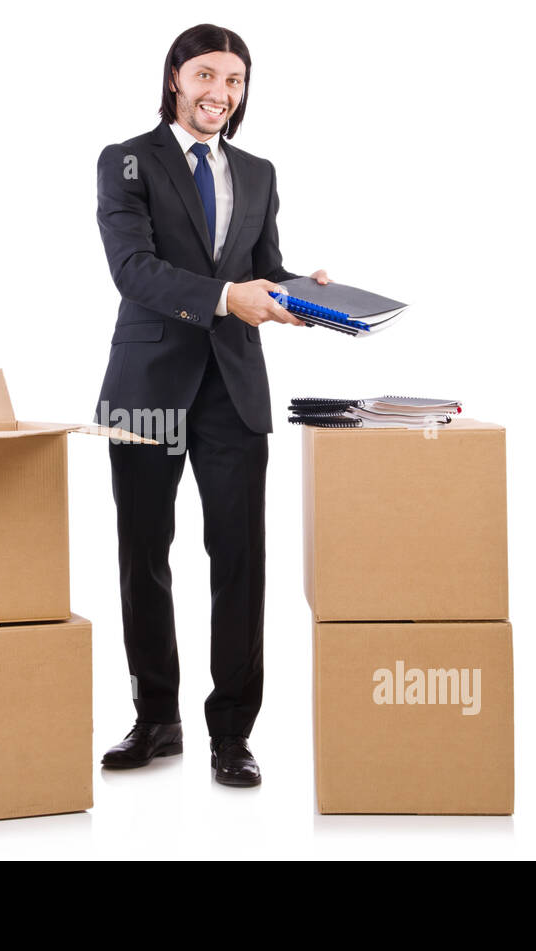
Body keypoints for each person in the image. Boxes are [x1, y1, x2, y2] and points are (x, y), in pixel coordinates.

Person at [93, 23, 329, 786]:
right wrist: (231, 296)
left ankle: (233, 732)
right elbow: (134, 270)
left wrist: (304, 296)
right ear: (174, 79)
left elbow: (264, 271)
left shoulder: (257, 172)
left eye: (234, 80)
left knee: (239, 561)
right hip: (146, 389)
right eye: (204, 75)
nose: (219, 93)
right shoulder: (127, 161)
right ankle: (155, 718)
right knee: (143, 558)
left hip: (232, 389)